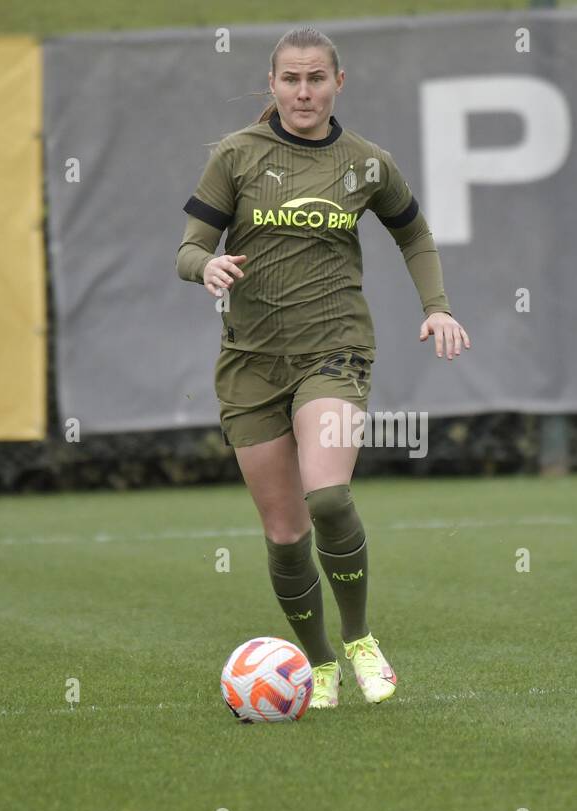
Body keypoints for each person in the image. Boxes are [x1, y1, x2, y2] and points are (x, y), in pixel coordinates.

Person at [176, 26, 470, 708]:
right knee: (284, 535)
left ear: (341, 82)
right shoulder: (236, 156)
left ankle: (362, 638)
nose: (303, 92)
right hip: (249, 366)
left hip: (334, 352)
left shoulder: (368, 163)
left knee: (330, 497)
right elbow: (188, 247)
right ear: (272, 85)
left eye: (316, 79)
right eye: (291, 80)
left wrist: (438, 305)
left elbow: (414, 232)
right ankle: (317, 662)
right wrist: (207, 265)